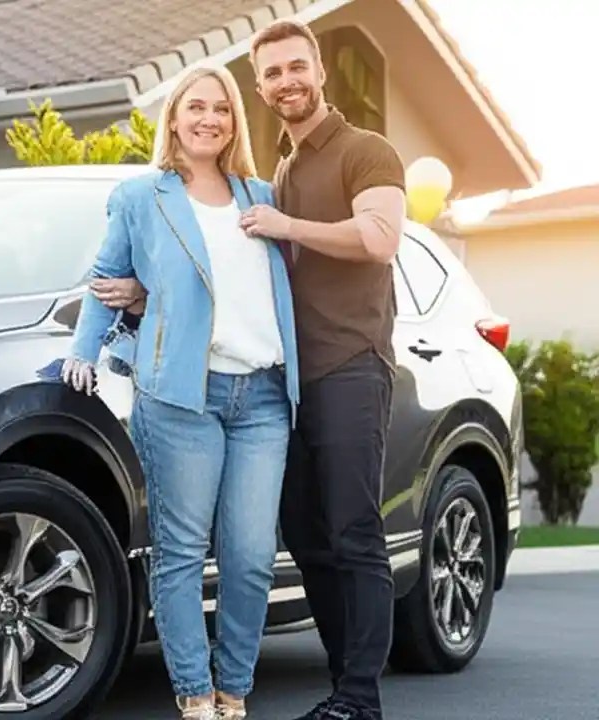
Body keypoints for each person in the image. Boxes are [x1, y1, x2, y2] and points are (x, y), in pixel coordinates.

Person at [90, 19, 407, 720]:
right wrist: (149, 291)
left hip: (349, 366)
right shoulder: (276, 176)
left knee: (352, 532)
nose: (287, 81)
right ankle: (338, 689)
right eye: (273, 73)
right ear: (260, 89)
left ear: (319, 70)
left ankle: (360, 697)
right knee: (306, 537)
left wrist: (285, 224)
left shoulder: (363, 151)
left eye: (297, 66)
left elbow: (380, 238)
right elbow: (230, 273)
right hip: (286, 384)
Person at [62, 65, 301, 720]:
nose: (209, 119)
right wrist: (83, 353)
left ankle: (235, 690)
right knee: (181, 554)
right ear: (173, 117)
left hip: (263, 399)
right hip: (179, 398)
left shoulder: (261, 197)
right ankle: (196, 695)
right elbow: (105, 281)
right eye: (196, 107)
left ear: (234, 121)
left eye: (221, 108)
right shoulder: (142, 197)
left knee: (251, 557)